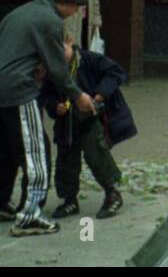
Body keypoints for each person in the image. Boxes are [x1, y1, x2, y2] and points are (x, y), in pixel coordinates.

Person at [0, 0, 96, 236]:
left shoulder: (22, 11)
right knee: (36, 151)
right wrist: (79, 96)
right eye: (77, 7)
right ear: (69, 1)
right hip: (17, 88)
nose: (76, 12)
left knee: (6, 148)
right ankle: (30, 214)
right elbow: (57, 69)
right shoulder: (50, 21)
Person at [38, 38, 134, 220]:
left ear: (69, 42)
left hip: (91, 117)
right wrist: (54, 106)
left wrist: (99, 95)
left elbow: (116, 73)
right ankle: (69, 199)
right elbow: (45, 94)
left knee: (96, 154)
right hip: (66, 121)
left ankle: (112, 193)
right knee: (66, 160)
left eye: (61, 50)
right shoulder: (53, 69)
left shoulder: (90, 59)